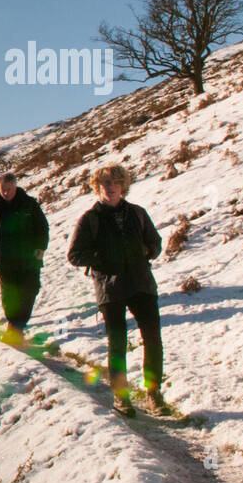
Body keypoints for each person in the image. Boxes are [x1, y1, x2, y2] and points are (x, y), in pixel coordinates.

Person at [66, 163, 165, 415]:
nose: (110, 188)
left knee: (152, 339)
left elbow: (155, 243)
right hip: (110, 289)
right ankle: (121, 397)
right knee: (117, 343)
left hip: (141, 283)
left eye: (114, 183)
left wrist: (145, 251)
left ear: (123, 186)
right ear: (97, 188)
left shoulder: (138, 213)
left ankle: (154, 393)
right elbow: (75, 255)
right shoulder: (90, 219)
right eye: (105, 184)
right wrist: (102, 258)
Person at [0, 172, 49, 344]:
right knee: (9, 295)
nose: (6, 193)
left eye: (9, 189)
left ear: (15, 186)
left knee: (30, 290)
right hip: (5, 259)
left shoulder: (29, 204)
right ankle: (14, 327)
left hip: (29, 258)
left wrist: (41, 248)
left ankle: (17, 326)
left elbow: (43, 228)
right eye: (3, 190)